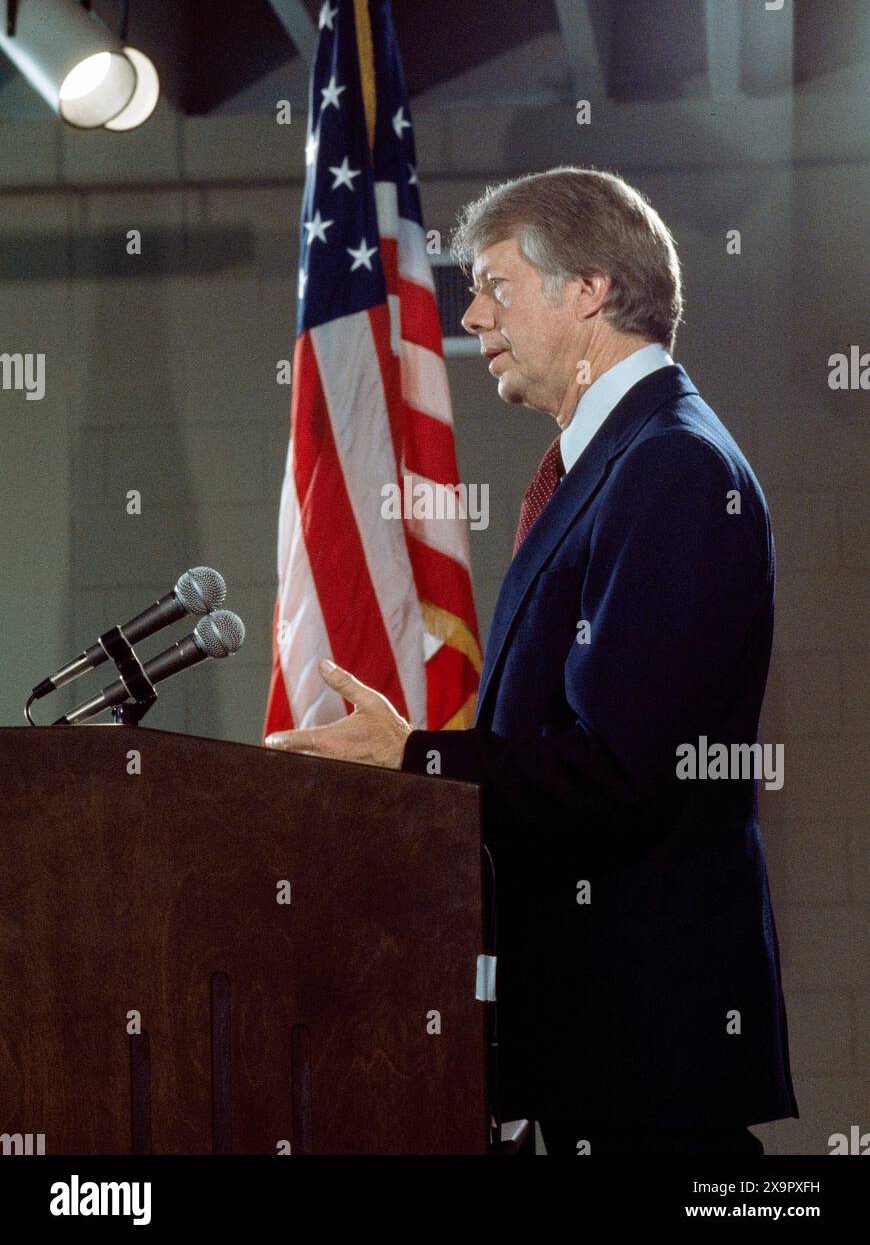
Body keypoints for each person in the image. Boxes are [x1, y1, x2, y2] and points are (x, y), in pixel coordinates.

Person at [266, 166, 799, 1156]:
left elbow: (623, 771)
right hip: (593, 1046)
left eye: (495, 285)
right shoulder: (610, 463)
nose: (471, 315)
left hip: (643, 1056)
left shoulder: (673, 467)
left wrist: (418, 755)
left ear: (589, 289)